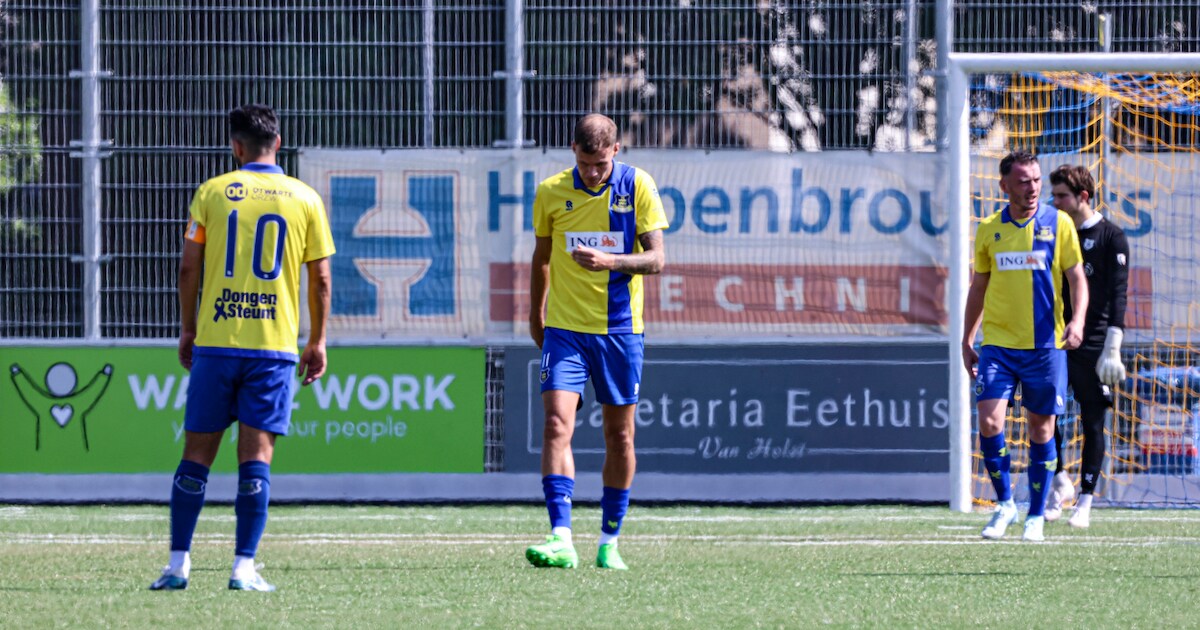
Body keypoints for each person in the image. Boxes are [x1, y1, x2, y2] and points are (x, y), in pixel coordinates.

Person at [149, 104, 335, 591]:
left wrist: (188, 329)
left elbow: (189, 268)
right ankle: (243, 568)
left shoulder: (212, 192)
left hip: (216, 343)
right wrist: (317, 340)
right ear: (278, 143)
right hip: (273, 349)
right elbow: (320, 277)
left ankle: (177, 565)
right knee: (256, 459)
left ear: (236, 146)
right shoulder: (304, 197)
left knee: (196, 455)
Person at [524, 113, 668, 570]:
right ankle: (561, 537)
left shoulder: (637, 186)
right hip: (565, 329)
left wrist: (609, 261)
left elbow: (658, 259)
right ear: (573, 151)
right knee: (554, 425)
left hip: (621, 331)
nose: (592, 172)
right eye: (585, 163)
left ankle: (609, 541)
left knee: (619, 436)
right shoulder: (550, 192)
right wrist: (535, 313)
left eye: (600, 164)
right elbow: (542, 256)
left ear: (616, 152)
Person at [961, 150, 1087, 542]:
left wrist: (1078, 320)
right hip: (998, 344)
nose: (1032, 188)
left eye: (1035, 180)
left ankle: (1035, 514)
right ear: (1004, 186)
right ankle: (1004, 505)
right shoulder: (988, 230)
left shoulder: (1059, 223)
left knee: (1040, 428)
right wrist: (967, 339)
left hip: (1046, 347)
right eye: (1023, 181)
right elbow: (978, 287)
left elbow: (1077, 278)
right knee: (989, 421)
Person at [1044, 164, 1129, 528]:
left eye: (1061, 195)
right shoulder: (1053, 232)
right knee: (1046, 412)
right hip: (1057, 338)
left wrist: (1114, 343)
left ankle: (1086, 500)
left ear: (1082, 197)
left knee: (1093, 420)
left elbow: (1119, 294)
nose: (1055, 201)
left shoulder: (1112, 237)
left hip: (1095, 342)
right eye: (1054, 195)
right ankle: (1059, 481)